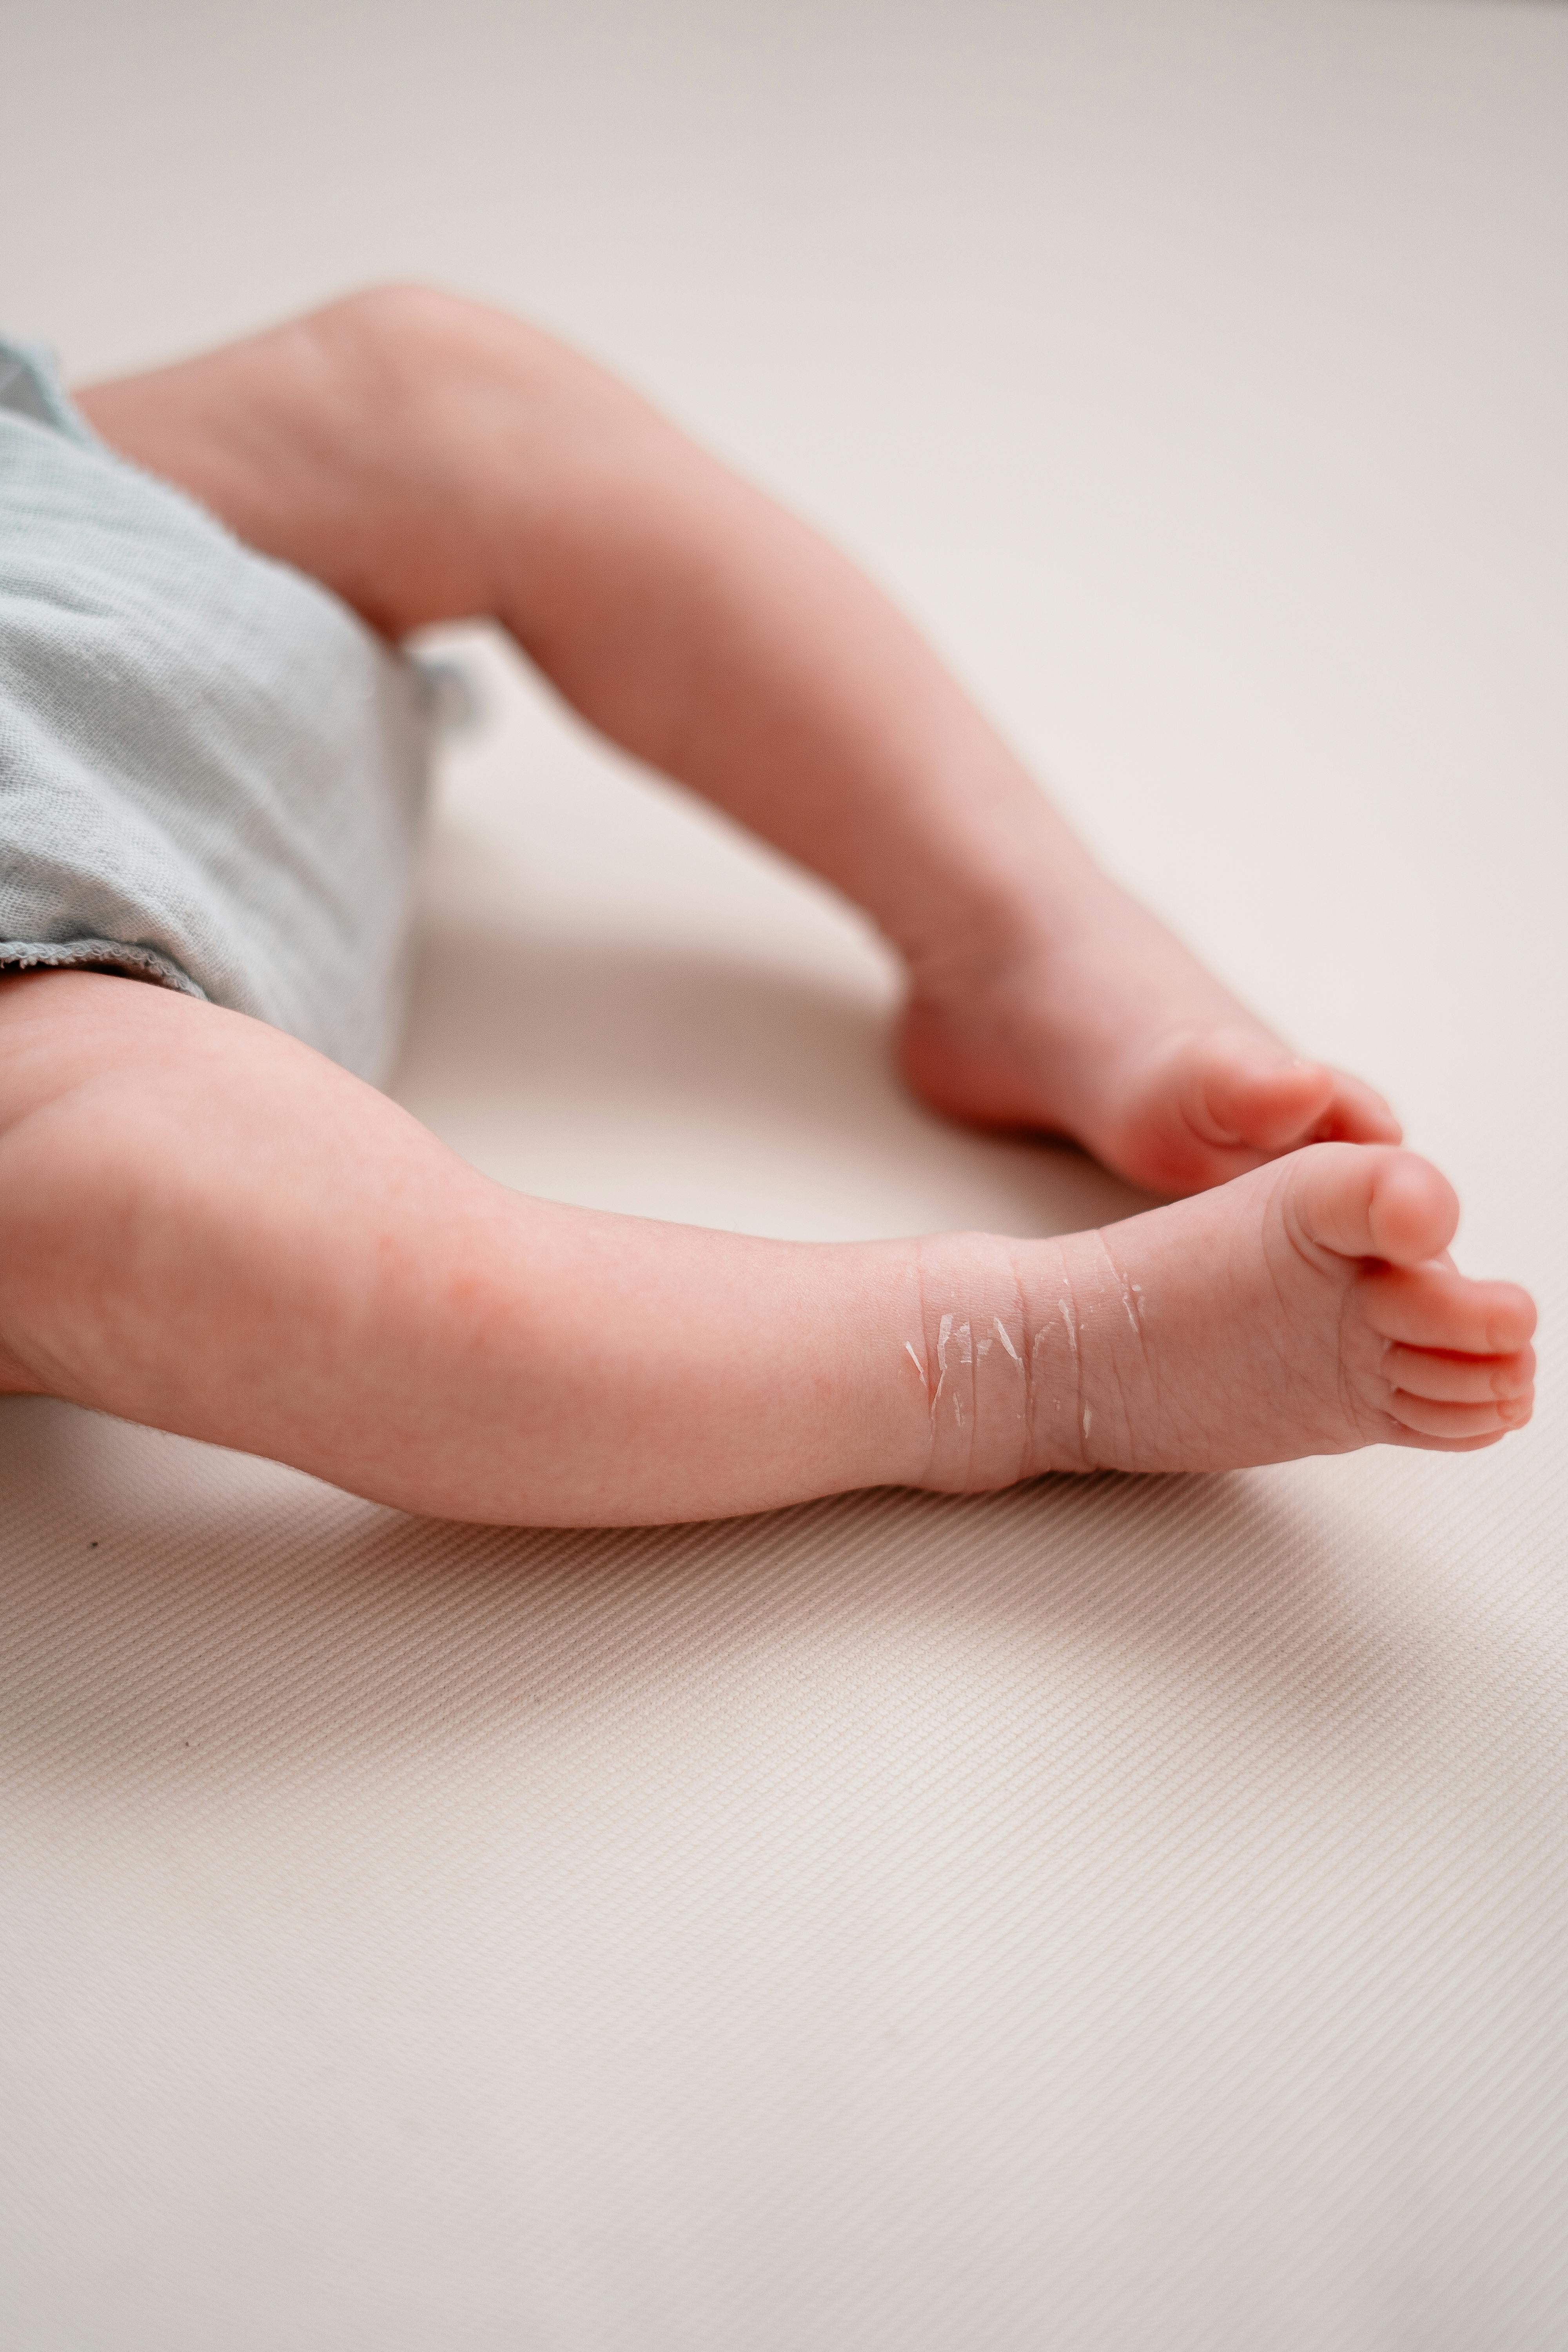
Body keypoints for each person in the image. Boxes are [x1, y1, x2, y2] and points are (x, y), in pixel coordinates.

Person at [0, 288, 1536, 1526]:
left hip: (68, 544)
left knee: (435, 385)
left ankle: (1023, 931)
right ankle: (1015, 1364)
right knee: (159, 1230)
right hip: (47, 1021)